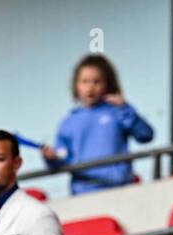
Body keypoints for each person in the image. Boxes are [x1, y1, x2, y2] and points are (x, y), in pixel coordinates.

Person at [41, 54, 155, 193]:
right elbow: (61, 159)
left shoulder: (118, 111)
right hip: (82, 192)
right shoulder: (68, 122)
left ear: (107, 84)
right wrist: (50, 158)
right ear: (76, 85)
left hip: (120, 190)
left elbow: (146, 135)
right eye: (84, 81)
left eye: (96, 82)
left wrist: (126, 108)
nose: (90, 87)